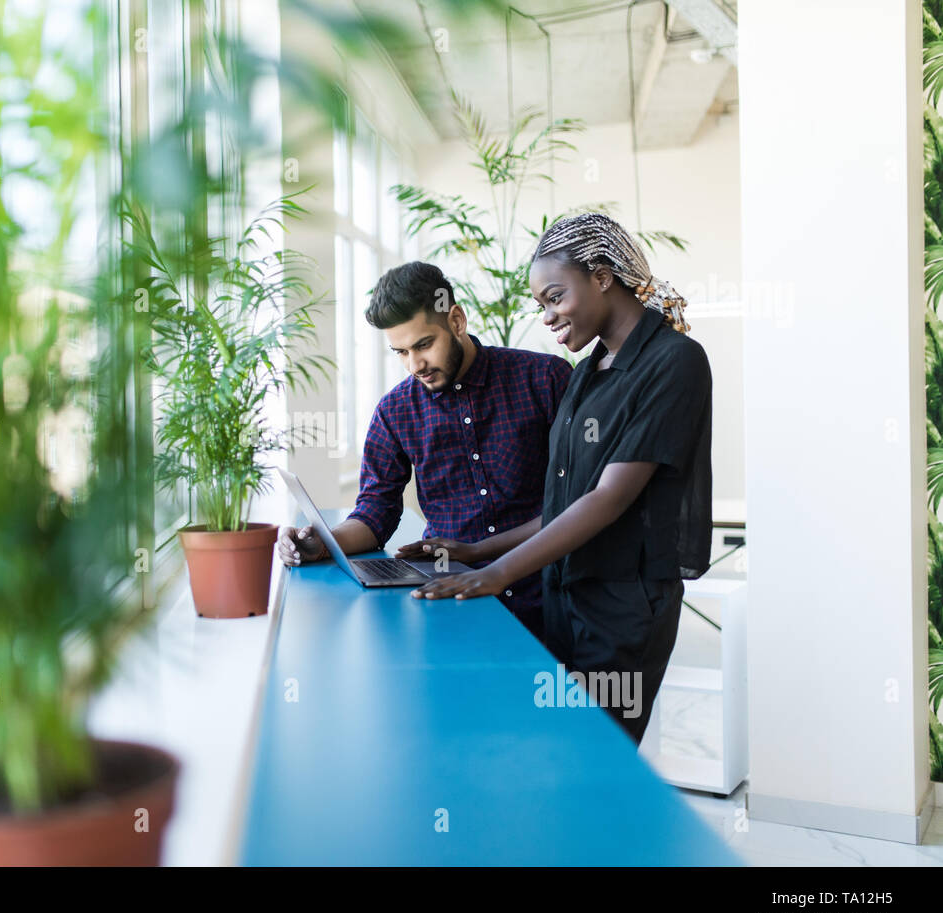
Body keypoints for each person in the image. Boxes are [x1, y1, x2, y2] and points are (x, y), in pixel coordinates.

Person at [407, 213, 712, 746]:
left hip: (622, 613)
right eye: (540, 305)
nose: (546, 316)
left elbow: (610, 498)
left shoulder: (674, 361)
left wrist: (499, 572)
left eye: (554, 298)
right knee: (557, 763)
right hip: (564, 600)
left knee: (597, 771)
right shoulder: (587, 373)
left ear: (601, 276)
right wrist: (477, 553)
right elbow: (566, 503)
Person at [277, 261, 572, 641]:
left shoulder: (545, 379)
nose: (415, 365)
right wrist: (321, 542)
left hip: (551, 596)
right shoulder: (394, 411)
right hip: (453, 604)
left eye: (423, 345)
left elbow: (576, 501)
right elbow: (375, 512)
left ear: (457, 320)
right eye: (400, 352)